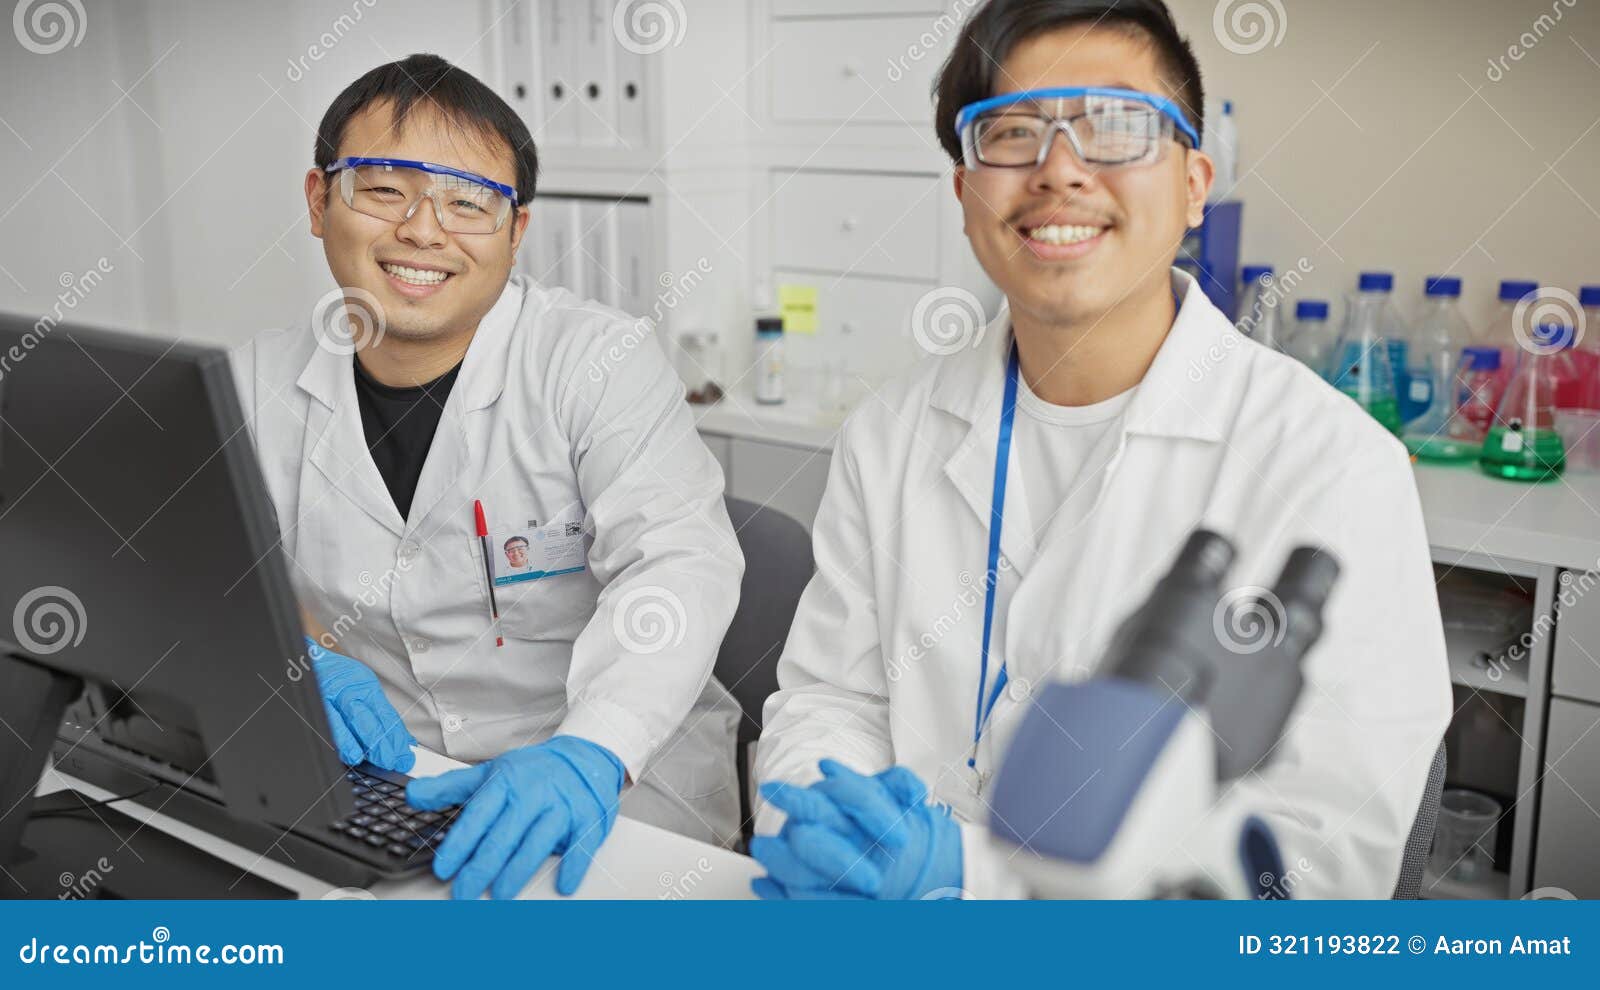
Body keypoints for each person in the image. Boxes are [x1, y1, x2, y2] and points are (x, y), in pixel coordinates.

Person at [750, 0, 1451, 899]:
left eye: (1115, 126)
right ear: (966, 194)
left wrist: (973, 883)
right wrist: (821, 829)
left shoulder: (1334, 466)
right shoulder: (890, 432)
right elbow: (830, 701)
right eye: (1010, 133)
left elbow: (1316, 867)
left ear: (1196, 183)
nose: (1059, 170)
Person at [230, 54, 745, 900]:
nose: (425, 231)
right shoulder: (255, 383)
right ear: (321, 202)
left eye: (469, 202)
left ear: (517, 232)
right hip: (391, 775)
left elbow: (680, 562)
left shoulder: (595, 360)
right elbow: (218, 568)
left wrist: (595, 747)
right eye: (386, 189)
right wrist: (291, 657)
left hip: (616, 774)